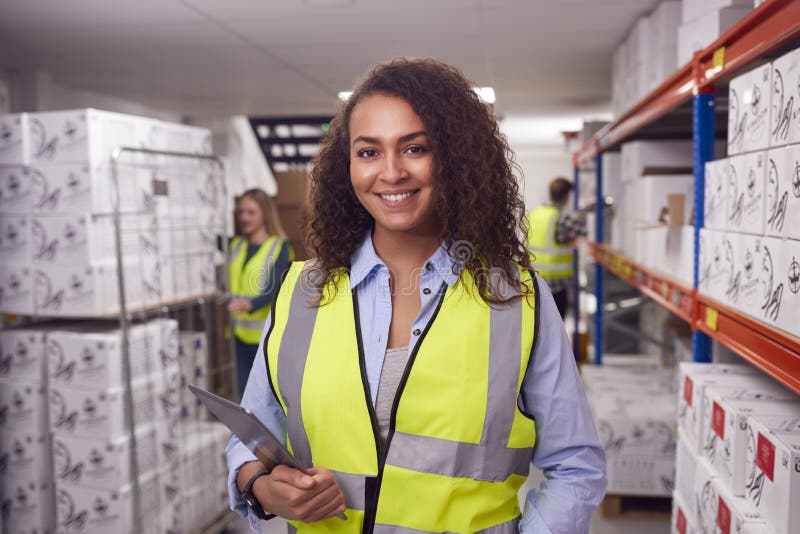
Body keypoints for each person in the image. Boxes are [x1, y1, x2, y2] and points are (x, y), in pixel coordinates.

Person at [226, 58, 606, 533]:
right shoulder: (301, 292)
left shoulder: (517, 301)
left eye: (415, 148)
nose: (390, 172)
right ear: (347, 165)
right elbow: (251, 433)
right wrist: (259, 486)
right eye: (368, 152)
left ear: (454, 158)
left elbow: (574, 466)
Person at [228, 188, 293, 398]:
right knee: (243, 394)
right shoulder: (236, 245)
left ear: (264, 213)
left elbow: (276, 287)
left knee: (264, 398)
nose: (244, 218)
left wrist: (249, 305)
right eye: (241, 212)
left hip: (266, 337)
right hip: (238, 335)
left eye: (251, 212)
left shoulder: (279, 247)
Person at [527, 177, 591, 319]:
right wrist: (585, 212)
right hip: (555, 284)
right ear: (566, 196)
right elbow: (583, 231)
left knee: (539, 325)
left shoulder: (535, 213)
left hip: (535, 280)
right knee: (554, 327)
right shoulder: (560, 217)